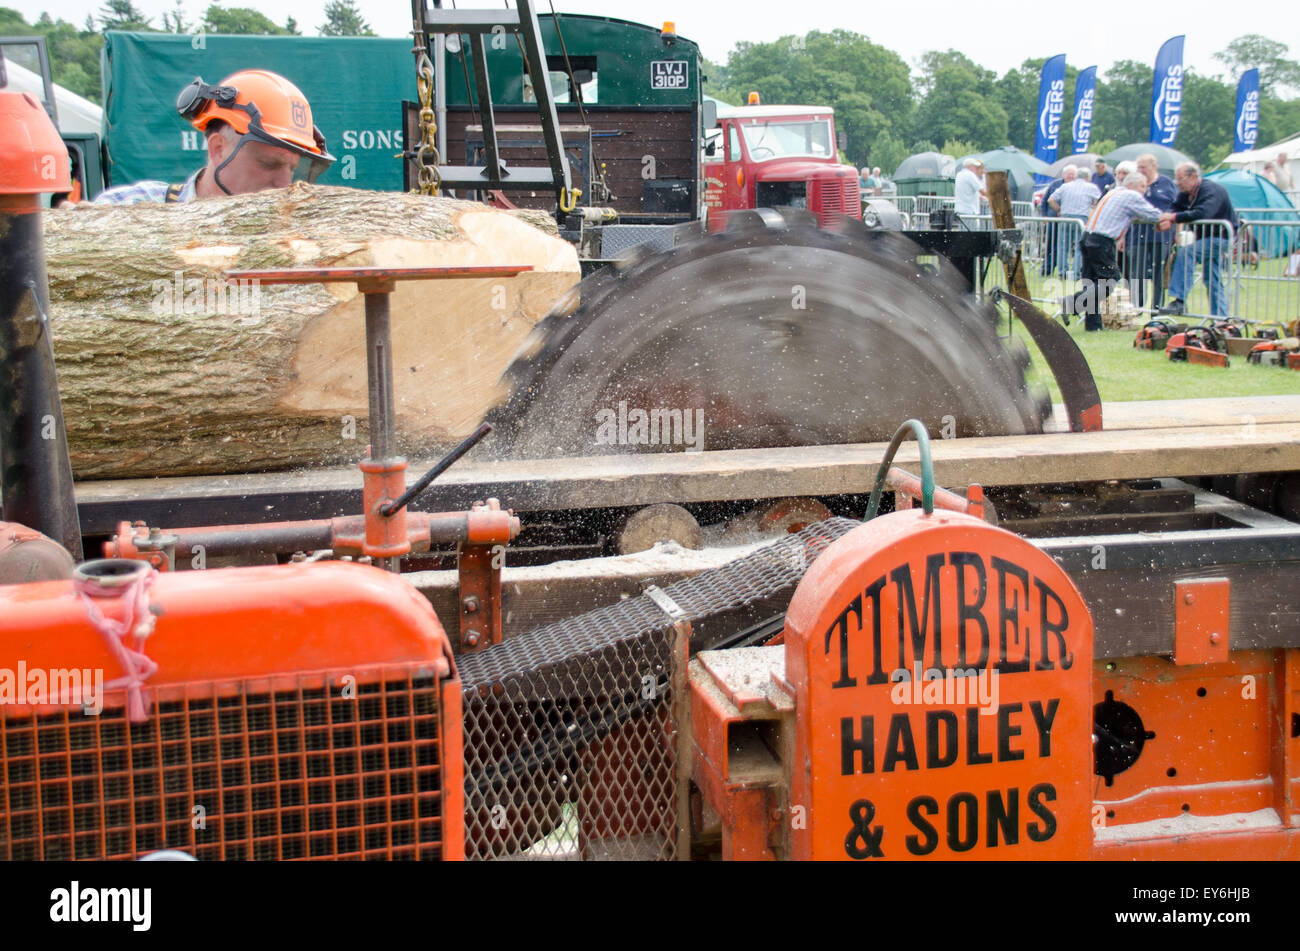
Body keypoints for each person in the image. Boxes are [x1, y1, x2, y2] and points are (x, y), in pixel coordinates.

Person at [94, 69, 334, 205]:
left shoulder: (298, 238)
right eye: (269, 164)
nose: (284, 184)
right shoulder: (128, 206)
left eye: (292, 169)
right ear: (218, 148)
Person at [1063, 174, 1169, 331]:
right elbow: (1152, 213)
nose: (1145, 191)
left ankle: (1093, 326)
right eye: (1143, 186)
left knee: (1092, 283)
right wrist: (1168, 218)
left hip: (1088, 237)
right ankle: (1072, 303)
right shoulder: (1131, 195)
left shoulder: (1114, 192)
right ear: (1133, 184)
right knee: (1110, 280)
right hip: (1102, 241)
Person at [1158, 161, 1239, 317]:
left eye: (1180, 179)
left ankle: (1179, 301)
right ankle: (1221, 318)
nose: (1178, 183)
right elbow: (1175, 206)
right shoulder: (1187, 192)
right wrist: (1167, 218)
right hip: (1206, 238)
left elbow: (1203, 213)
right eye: (1177, 179)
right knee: (1213, 280)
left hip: (1220, 238)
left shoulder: (1212, 190)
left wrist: (1173, 217)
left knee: (1186, 253)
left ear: (1193, 177)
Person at [1128, 153, 1178, 309]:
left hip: (1161, 236)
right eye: (1139, 167)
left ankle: (1157, 307)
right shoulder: (1135, 183)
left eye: (1143, 167)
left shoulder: (1166, 184)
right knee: (1137, 272)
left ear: (1153, 167)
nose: (1141, 170)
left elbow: (1176, 206)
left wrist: (1176, 230)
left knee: (1158, 272)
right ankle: (1137, 306)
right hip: (1137, 235)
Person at [1050, 166, 1100, 277]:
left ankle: (1062, 272)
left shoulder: (1065, 186)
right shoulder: (1091, 187)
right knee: (1079, 247)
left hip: (1065, 217)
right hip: (1081, 218)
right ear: (1088, 177)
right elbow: (1099, 201)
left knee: (1062, 246)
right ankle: (1077, 273)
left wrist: (1059, 210)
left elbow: (1051, 199)